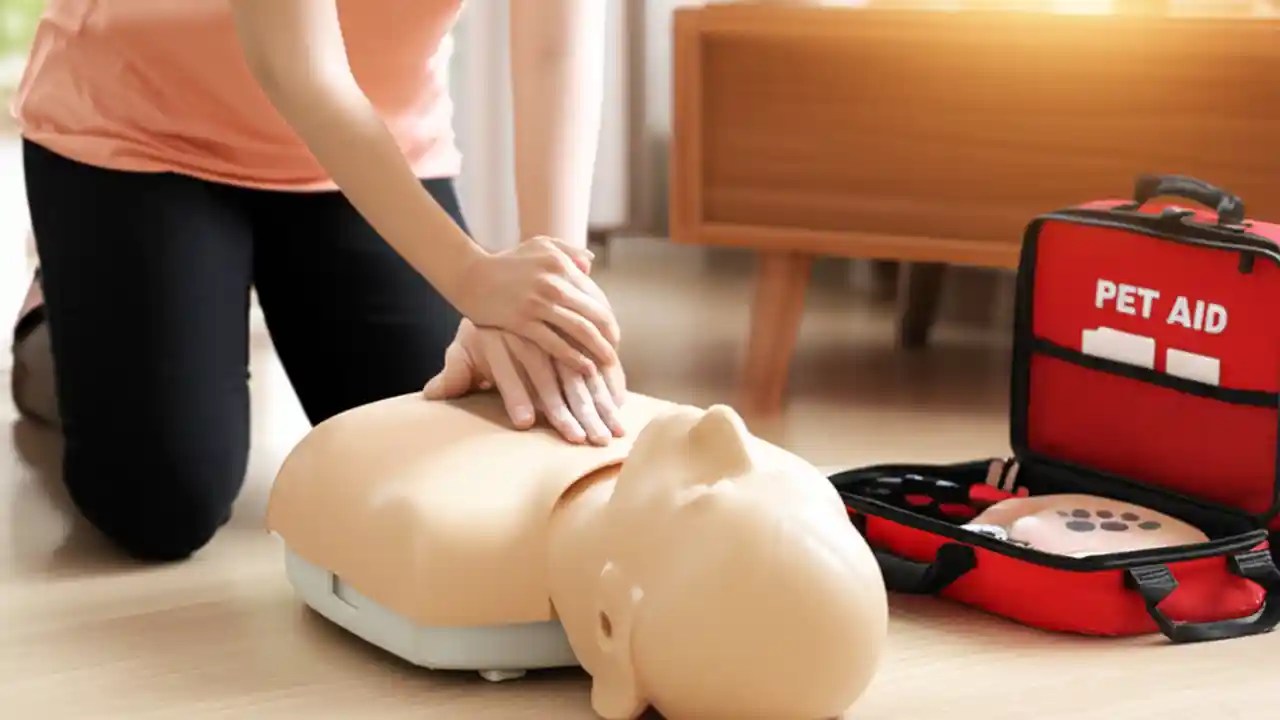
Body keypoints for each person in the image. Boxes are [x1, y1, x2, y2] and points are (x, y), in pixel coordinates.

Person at [9, 0, 625, 562]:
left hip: (367, 152)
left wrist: (555, 295)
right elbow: (296, 66)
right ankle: (57, 319)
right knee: (159, 505)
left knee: (455, 465)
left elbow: (556, 49)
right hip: (138, 132)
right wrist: (469, 277)